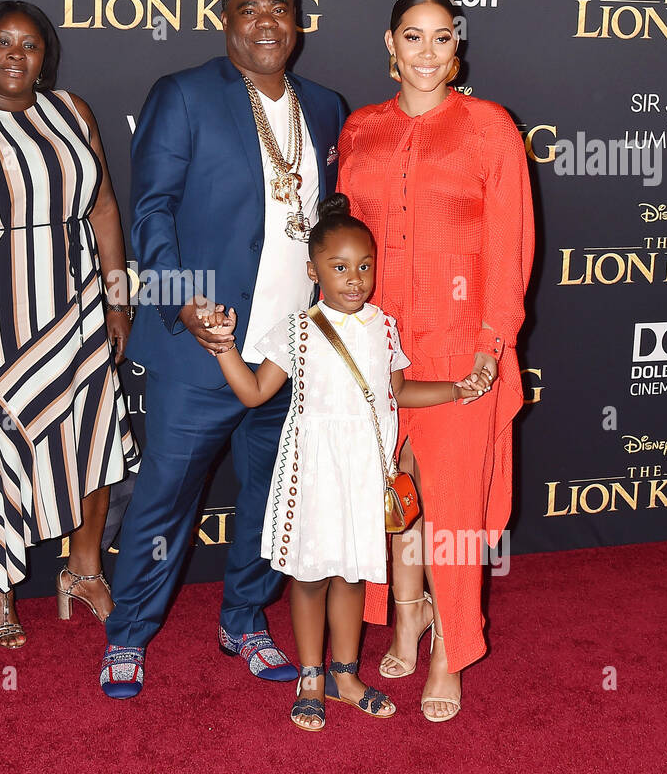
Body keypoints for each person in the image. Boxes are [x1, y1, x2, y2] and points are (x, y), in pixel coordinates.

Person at [100, 0, 348, 699]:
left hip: (292, 350)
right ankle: (129, 635)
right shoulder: (184, 94)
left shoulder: (327, 107)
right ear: (224, 19)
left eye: (281, 10)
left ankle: (243, 618)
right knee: (166, 498)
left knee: (273, 498)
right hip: (203, 345)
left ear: (298, 22)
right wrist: (183, 301)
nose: (267, 22)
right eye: (250, 9)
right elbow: (152, 211)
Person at [199, 194, 483, 730]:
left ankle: (345, 675)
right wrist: (223, 348)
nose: (354, 279)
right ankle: (310, 675)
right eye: (339, 267)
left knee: (351, 576)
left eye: (364, 267)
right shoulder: (297, 329)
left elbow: (398, 392)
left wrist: (455, 389)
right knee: (309, 578)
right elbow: (256, 393)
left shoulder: (384, 327)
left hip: (362, 474)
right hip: (312, 472)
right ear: (313, 270)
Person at [338, 0, 535, 722]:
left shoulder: (490, 128)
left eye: (441, 38)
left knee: (452, 507)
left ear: (459, 49)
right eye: (412, 38)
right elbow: (343, 248)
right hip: (377, 345)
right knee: (397, 501)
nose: (426, 53)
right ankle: (408, 616)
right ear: (389, 45)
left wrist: (494, 341)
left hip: (460, 347)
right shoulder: (360, 129)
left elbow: (513, 244)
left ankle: (451, 648)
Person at [0, 0, 137, 648]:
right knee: (1, 449)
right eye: (2, 42)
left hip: (78, 309)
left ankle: (85, 569)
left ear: (47, 57)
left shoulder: (74, 112)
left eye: (30, 44)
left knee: (92, 443)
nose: (16, 55)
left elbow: (101, 208)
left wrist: (117, 302)